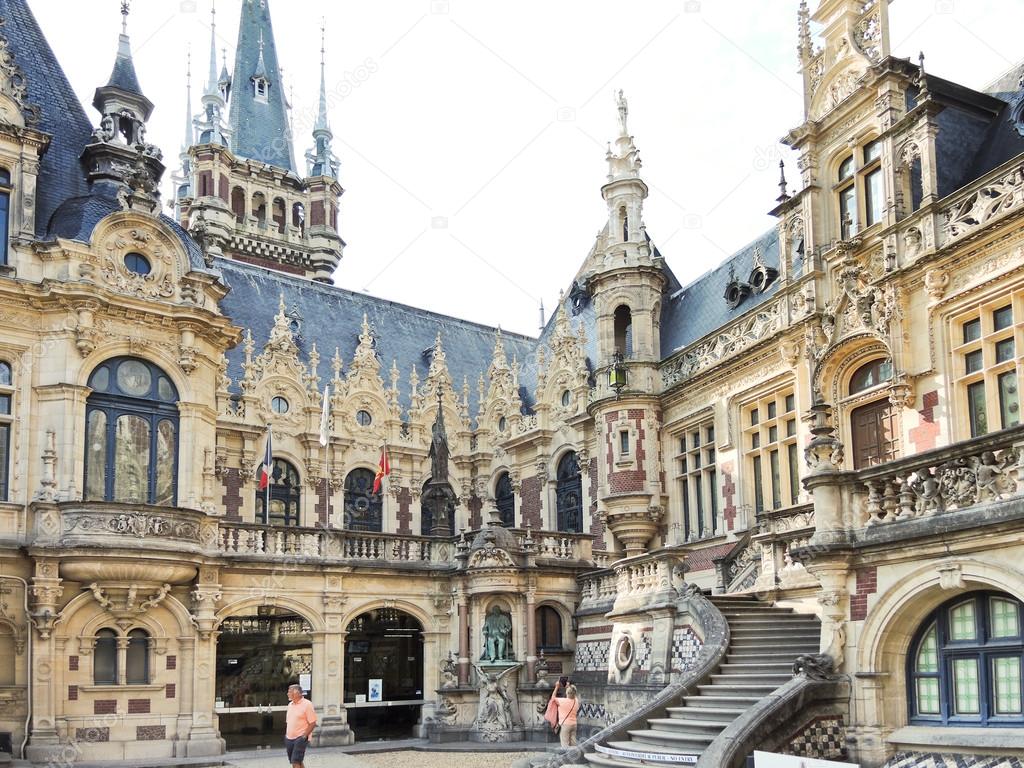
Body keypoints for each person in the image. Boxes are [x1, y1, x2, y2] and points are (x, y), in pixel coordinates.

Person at [284, 684, 316, 768]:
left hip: (300, 737)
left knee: (295, 761)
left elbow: (313, 722)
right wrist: (287, 735)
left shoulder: (307, 704)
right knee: (297, 761)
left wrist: (304, 736)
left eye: (290, 692)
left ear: (297, 693)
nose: (288, 694)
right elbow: (289, 721)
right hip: (289, 738)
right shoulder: (290, 705)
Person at [554, 684, 579, 748]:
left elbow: (553, 698)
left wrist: (556, 687)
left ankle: (566, 754)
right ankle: (574, 753)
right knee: (573, 743)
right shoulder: (576, 701)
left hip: (565, 725)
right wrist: (569, 687)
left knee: (565, 744)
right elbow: (573, 693)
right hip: (574, 724)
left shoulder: (562, 701)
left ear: (567, 693)